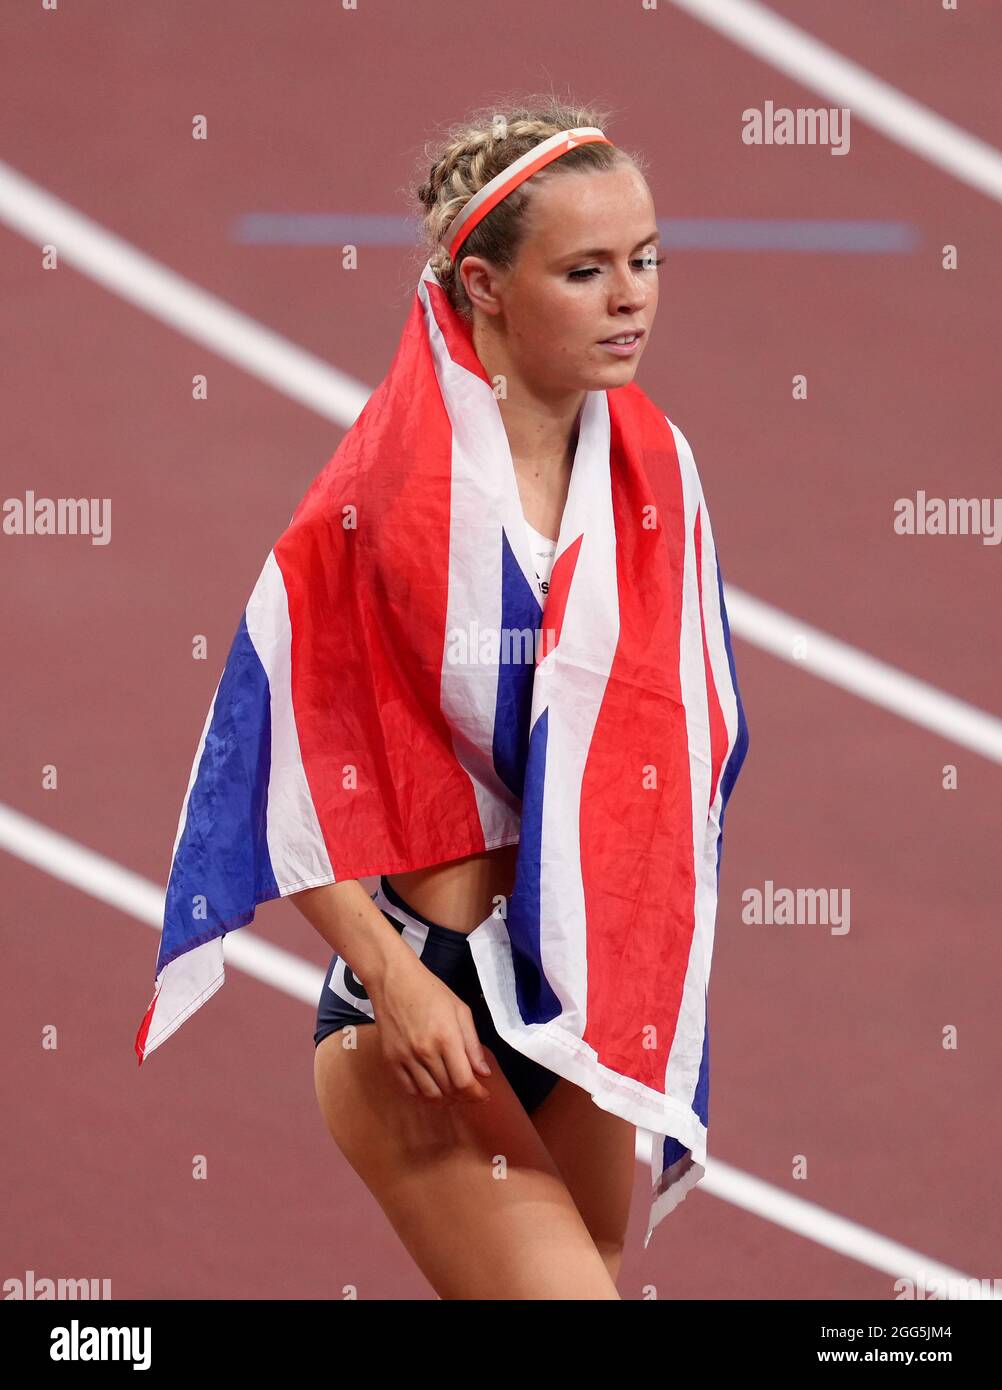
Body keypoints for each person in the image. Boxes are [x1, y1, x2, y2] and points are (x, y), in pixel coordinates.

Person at [299, 97, 664, 1300]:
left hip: (582, 997)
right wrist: (397, 983)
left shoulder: (652, 476)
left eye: (645, 261)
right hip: (428, 996)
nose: (632, 297)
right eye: (587, 269)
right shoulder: (392, 494)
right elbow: (277, 775)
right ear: (485, 285)